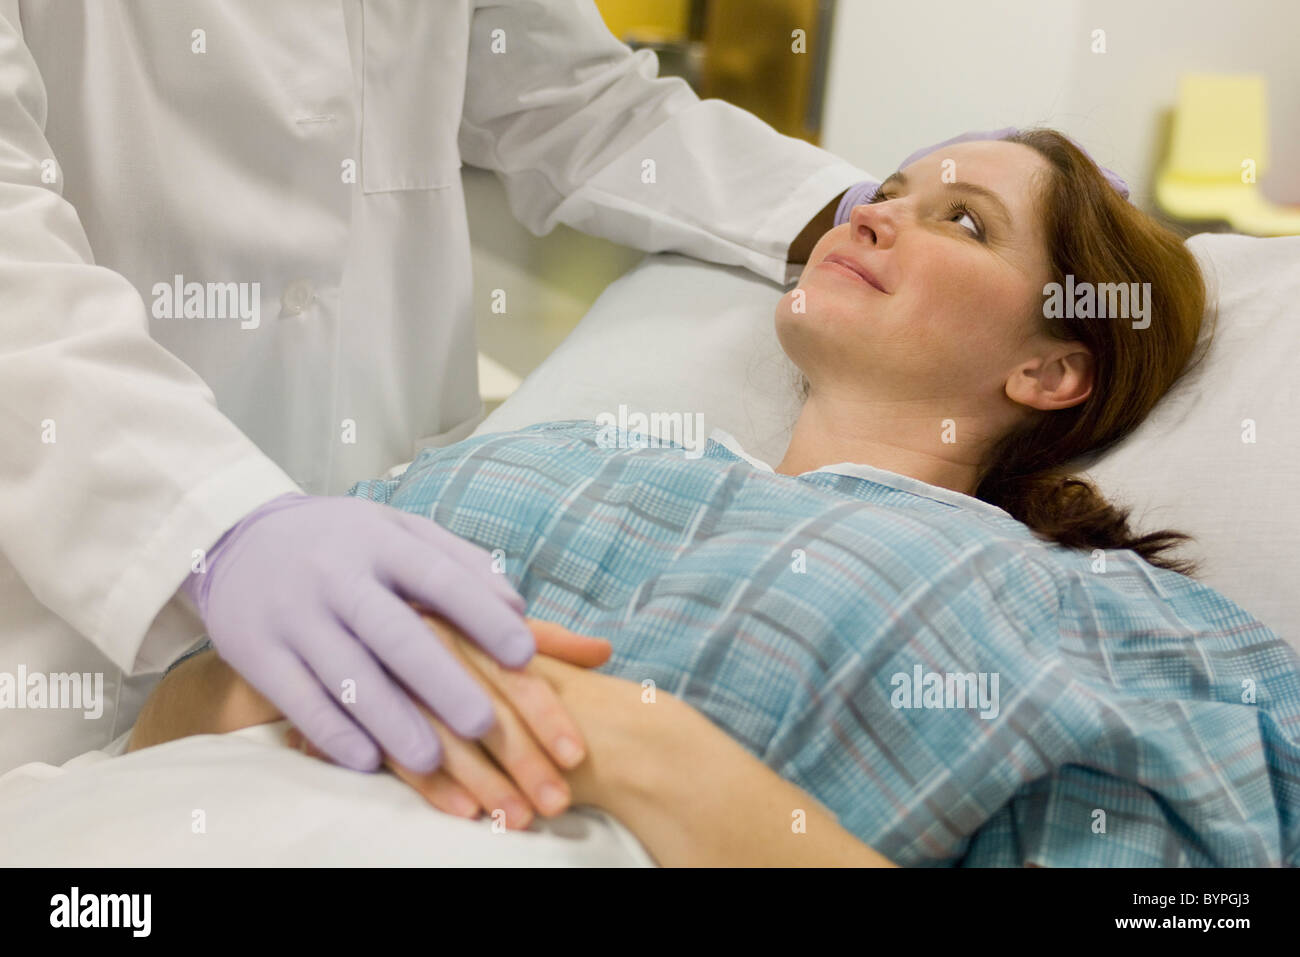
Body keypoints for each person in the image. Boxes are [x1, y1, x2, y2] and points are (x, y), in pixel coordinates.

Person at [128, 130, 1300, 867]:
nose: (870, 213)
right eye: (883, 190)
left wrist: (641, 752)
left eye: (962, 220)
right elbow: (157, 731)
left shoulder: (1083, 614)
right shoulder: (555, 454)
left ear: (1048, 368)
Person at [0, 0, 878, 776]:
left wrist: (860, 210)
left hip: (386, 541)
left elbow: (582, 107)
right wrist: (213, 526)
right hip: (70, 588)